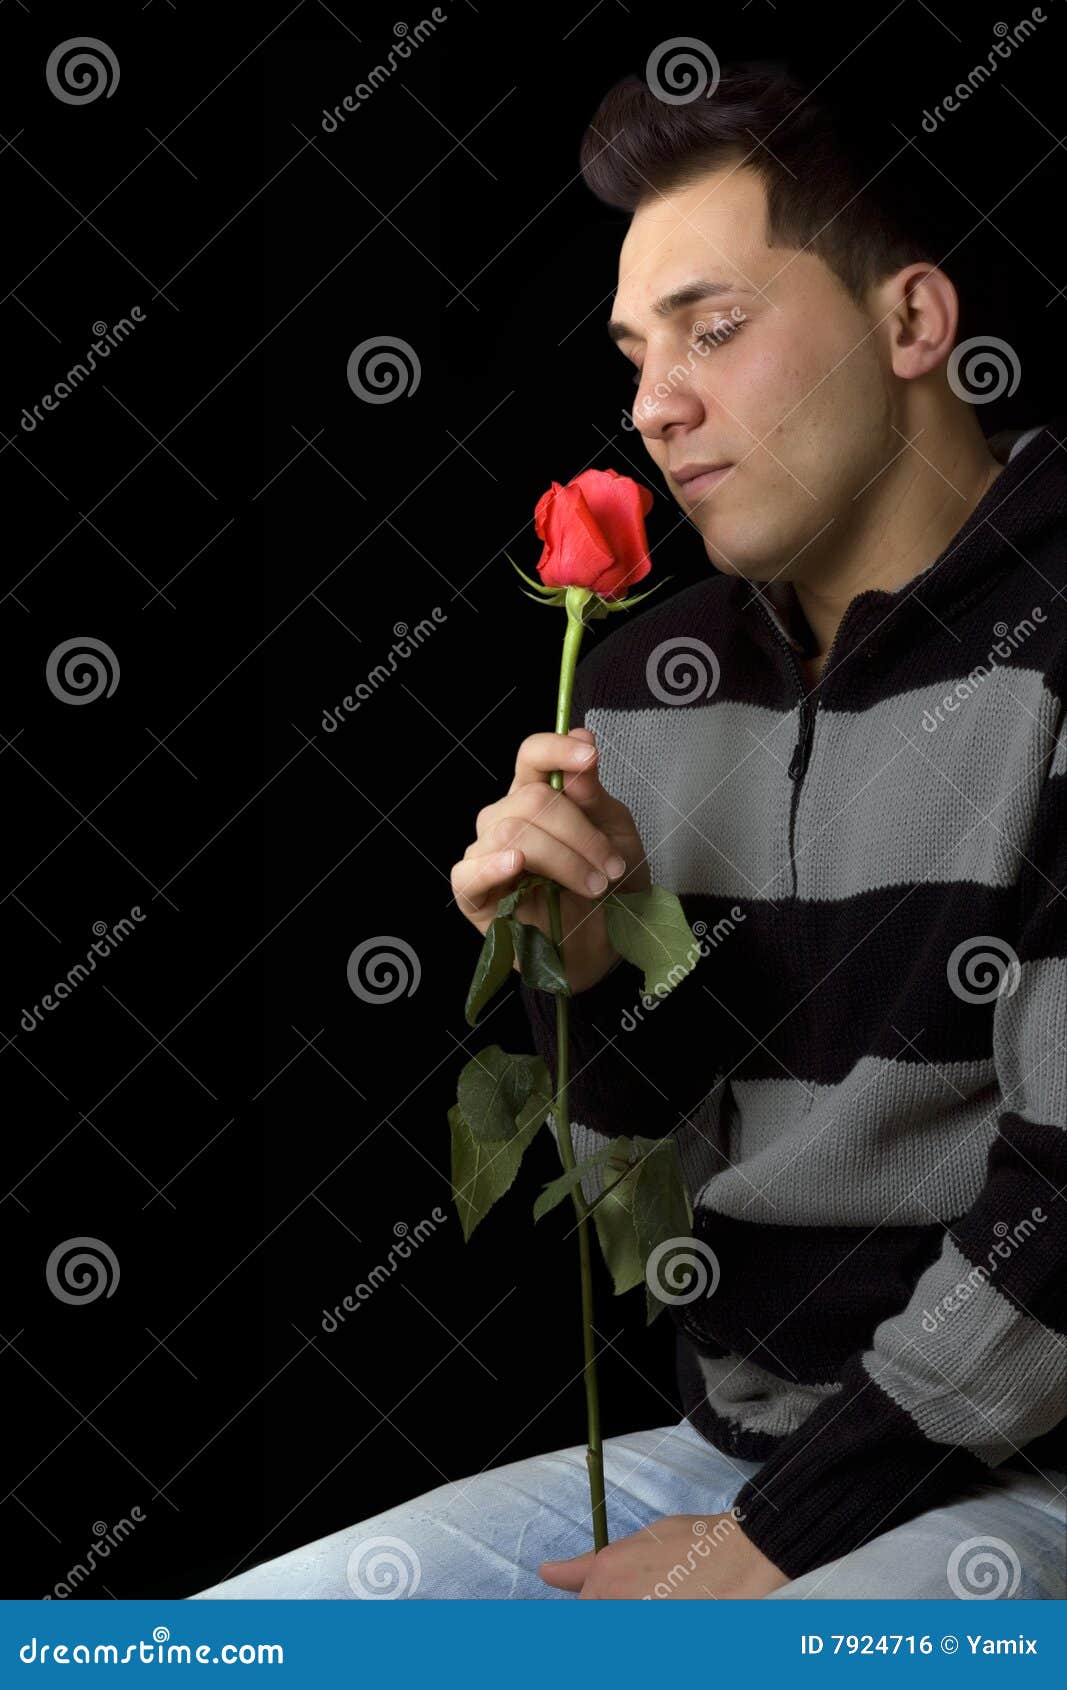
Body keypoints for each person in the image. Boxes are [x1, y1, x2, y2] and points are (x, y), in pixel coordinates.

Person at [193, 61, 1067, 1601]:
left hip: (1016, 1473)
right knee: (217, 1646)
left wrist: (767, 1546)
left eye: (714, 329)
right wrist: (586, 971)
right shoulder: (646, 683)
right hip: (733, 1458)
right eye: (635, 350)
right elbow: (635, 1194)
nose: (656, 405)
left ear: (915, 324)